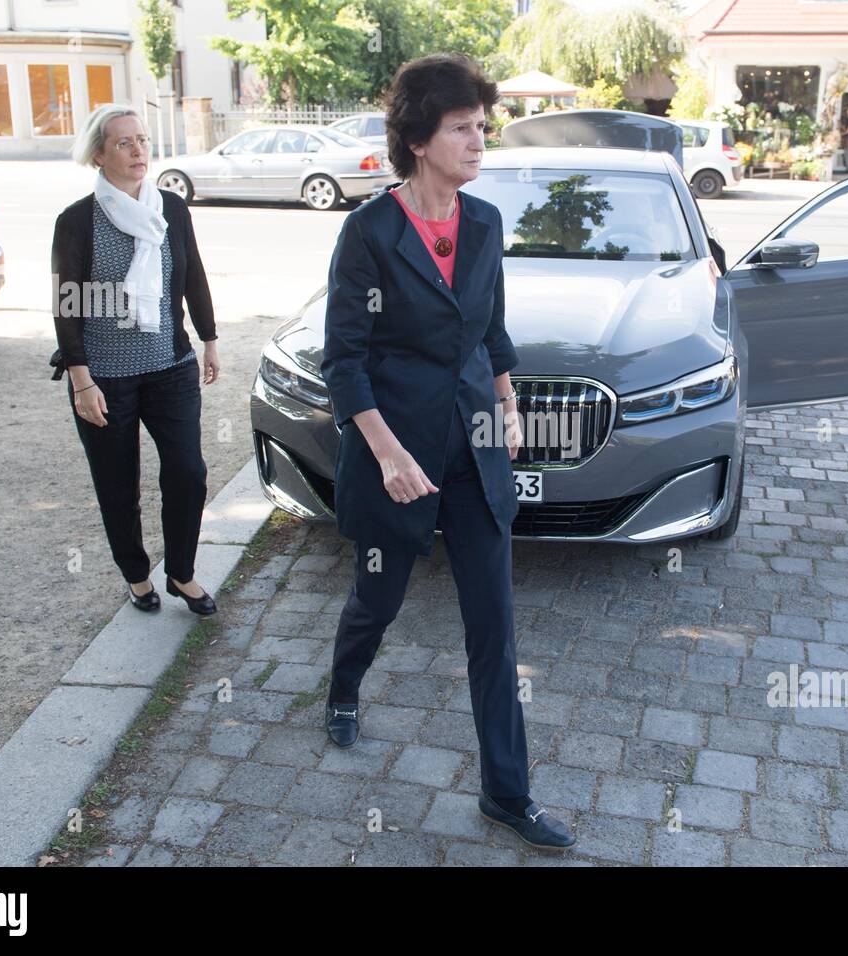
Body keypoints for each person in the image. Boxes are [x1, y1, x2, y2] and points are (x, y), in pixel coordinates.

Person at [319, 54, 575, 851]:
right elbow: (344, 361)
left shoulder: (486, 223)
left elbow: (491, 325)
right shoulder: (368, 233)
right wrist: (388, 454)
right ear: (420, 138)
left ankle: (507, 793)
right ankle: (344, 686)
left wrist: (507, 397)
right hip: (399, 458)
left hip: (475, 452)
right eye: (463, 128)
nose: (479, 141)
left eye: (481, 127)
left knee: (494, 626)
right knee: (379, 601)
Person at [51, 104, 221, 614]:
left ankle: (182, 574)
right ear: (99, 153)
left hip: (170, 366)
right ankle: (136, 575)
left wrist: (209, 338)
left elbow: (192, 274)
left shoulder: (170, 208)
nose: (139, 150)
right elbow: (67, 305)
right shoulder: (78, 221)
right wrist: (81, 380)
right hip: (104, 378)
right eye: (124, 143)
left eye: (143, 140)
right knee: (118, 484)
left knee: (188, 472)